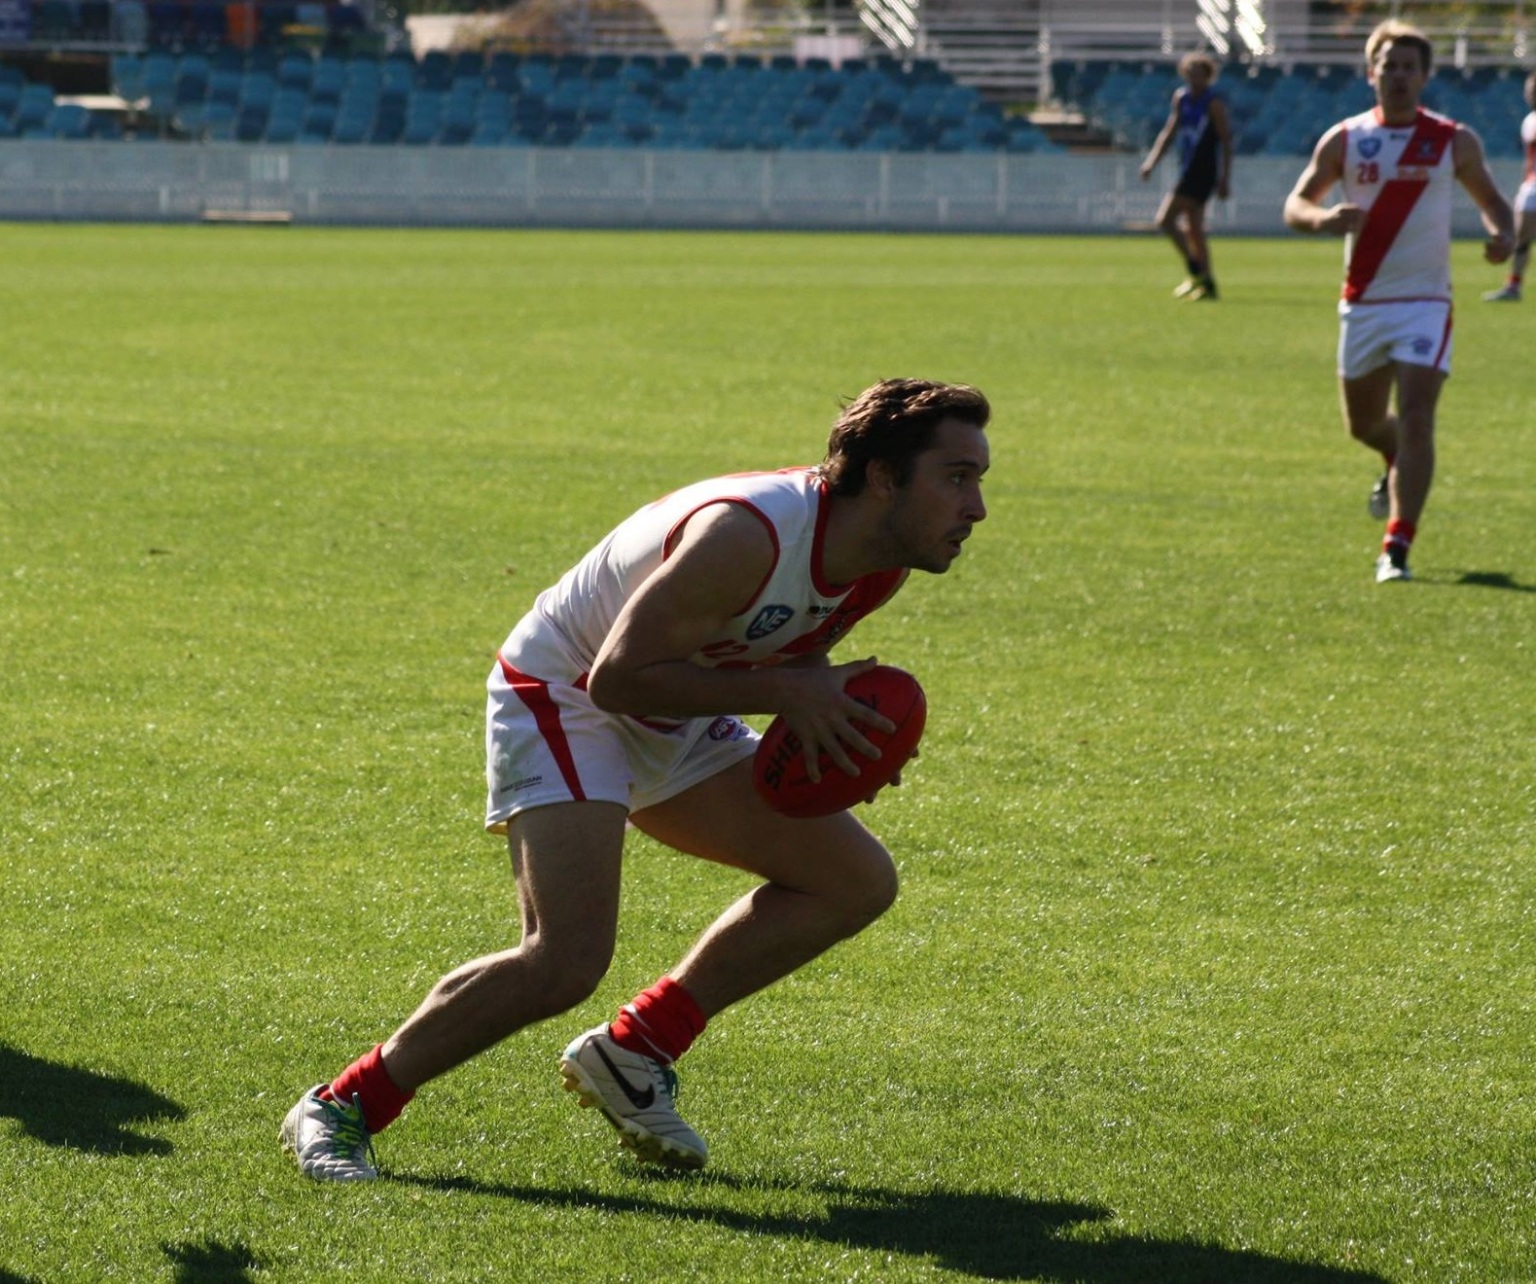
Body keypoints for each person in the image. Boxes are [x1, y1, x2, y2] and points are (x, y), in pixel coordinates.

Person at [280, 378, 992, 1179]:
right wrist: (792, 695)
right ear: (886, 479)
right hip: (567, 694)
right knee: (564, 960)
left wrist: (833, 741)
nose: (977, 508)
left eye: (979, 481)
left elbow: (786, 653)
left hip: (676, 707)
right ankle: (341, 1106)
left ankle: (634, 1052)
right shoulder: (748, 533)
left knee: (854, 880)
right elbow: (616, 678)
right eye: (957, 477)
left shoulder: (877, 562)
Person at [1282, 20, 1514, 584]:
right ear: (1372, 74)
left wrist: (1502, 237)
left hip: (1425, 304)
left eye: (1411, 67)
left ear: (1426, 76)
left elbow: (1494, 204)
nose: (1400, 76)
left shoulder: (1452, 141)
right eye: (1390, 65)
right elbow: (1296, 203)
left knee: (1416, 419)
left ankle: (1397, 545)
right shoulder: (1345, 139)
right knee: (1364, 425)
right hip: (1363, 301)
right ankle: (1392, 463)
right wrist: (1322, 218)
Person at [1140, 52, 1233, 301]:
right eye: (1190, 73)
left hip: (1203, 171)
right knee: (1193, 228)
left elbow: (1225, 141)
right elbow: (1169, 132)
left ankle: (1196, 270)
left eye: (1199, 74)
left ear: (1208, 76)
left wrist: (1225, 178)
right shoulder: (1181, 99)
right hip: (1187, 166)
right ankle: (1206, 282)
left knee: (1165, 220)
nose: (1194, 78)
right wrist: (1151, 162)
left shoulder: (1213, 104)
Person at [1483, 70, 1536, 302]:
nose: (1528, 94)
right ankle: (1513, 286)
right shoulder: (1529, 121)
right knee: (1521, 238)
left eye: (1532, 90)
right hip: (1532, 188)